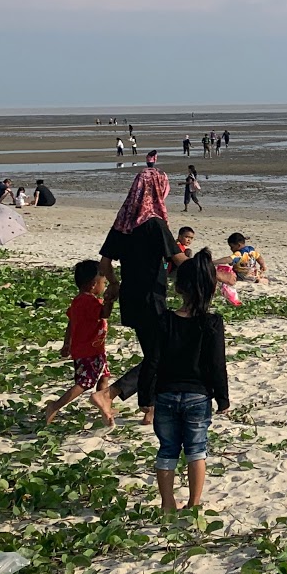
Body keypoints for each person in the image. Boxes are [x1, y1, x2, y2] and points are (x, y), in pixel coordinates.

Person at [141, 250, 229, 512]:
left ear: (179, 288)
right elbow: (217, 363)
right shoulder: (212, 322)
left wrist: (145, 396)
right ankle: (194, 502)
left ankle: (167, 503)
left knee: (167, 450)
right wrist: (222, 398)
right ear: (212, 289)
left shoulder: (164, 320)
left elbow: (151, 361)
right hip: (198, 396)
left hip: (166, 394)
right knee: (196, 450)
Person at [98, 166, 188, 422]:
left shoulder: (123, 223)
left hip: (130, 297)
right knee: (161, 353)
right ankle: (111, 394)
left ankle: (149, 408)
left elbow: (104, 266)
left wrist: (114, 284)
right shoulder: (155, 224)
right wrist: (209, 268)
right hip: (152, 297)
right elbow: (179, 259)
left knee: (154, 352)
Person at [42, 260, 116, 428]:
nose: (104, 287)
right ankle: (55, 405)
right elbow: (104, 314)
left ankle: (105, 408)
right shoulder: (89, 302)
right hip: (88, 351)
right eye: (103, 283)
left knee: (104, 377)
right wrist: (110, 299)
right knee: (85, 383)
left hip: (95, 349)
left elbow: (71, 322)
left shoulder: (77, 301)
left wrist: (66, 343)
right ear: (93, 285)